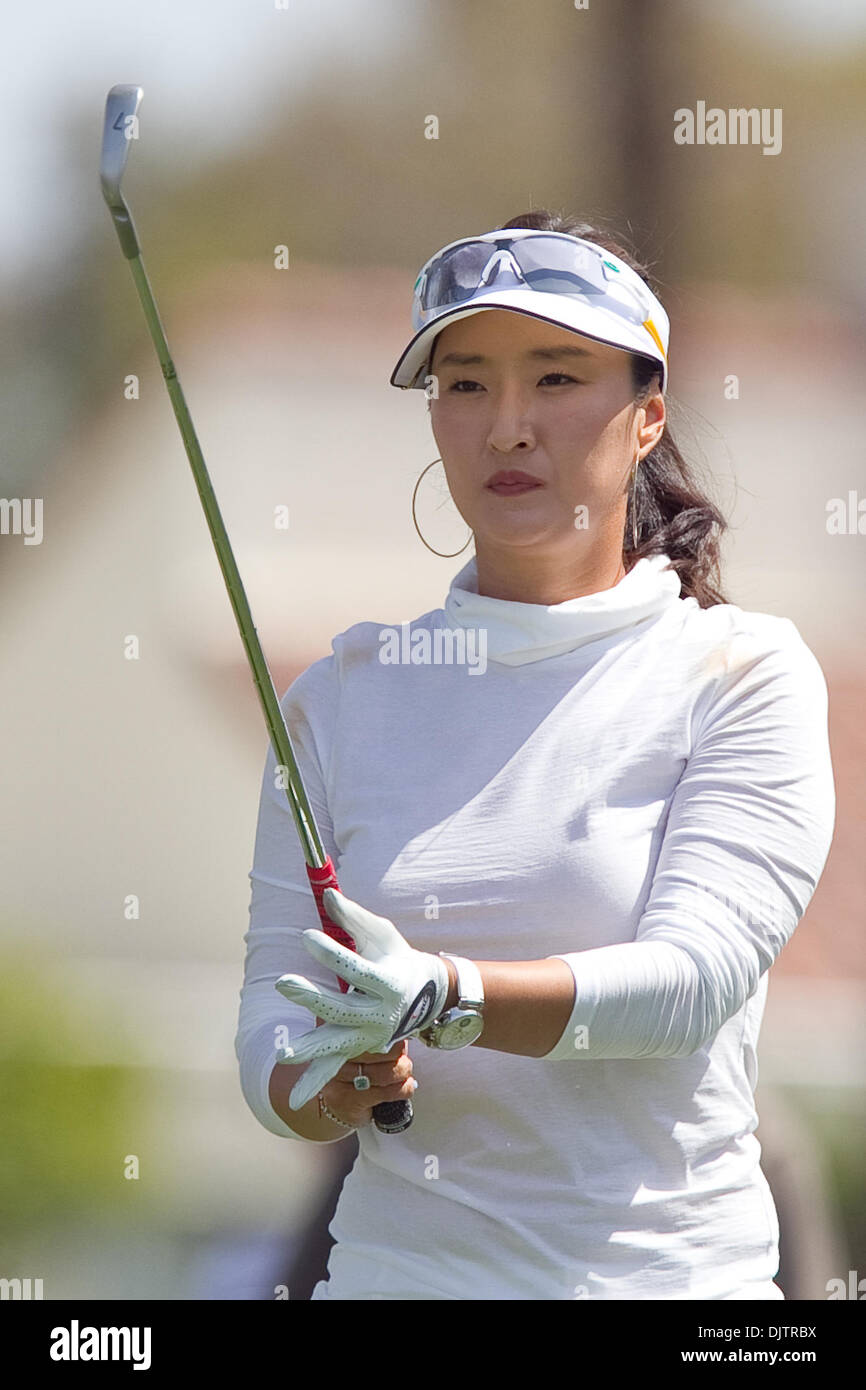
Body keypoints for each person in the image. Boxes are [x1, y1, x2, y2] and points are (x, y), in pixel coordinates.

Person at [234, 210, 836, 1300]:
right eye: (463, 384)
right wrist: (337, 1079)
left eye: (555, 379)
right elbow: (270, 1052)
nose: (506, 425)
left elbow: (684, 988)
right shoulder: (337, 702)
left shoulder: (742, 674)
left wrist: (439, 995)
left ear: (646, 415)